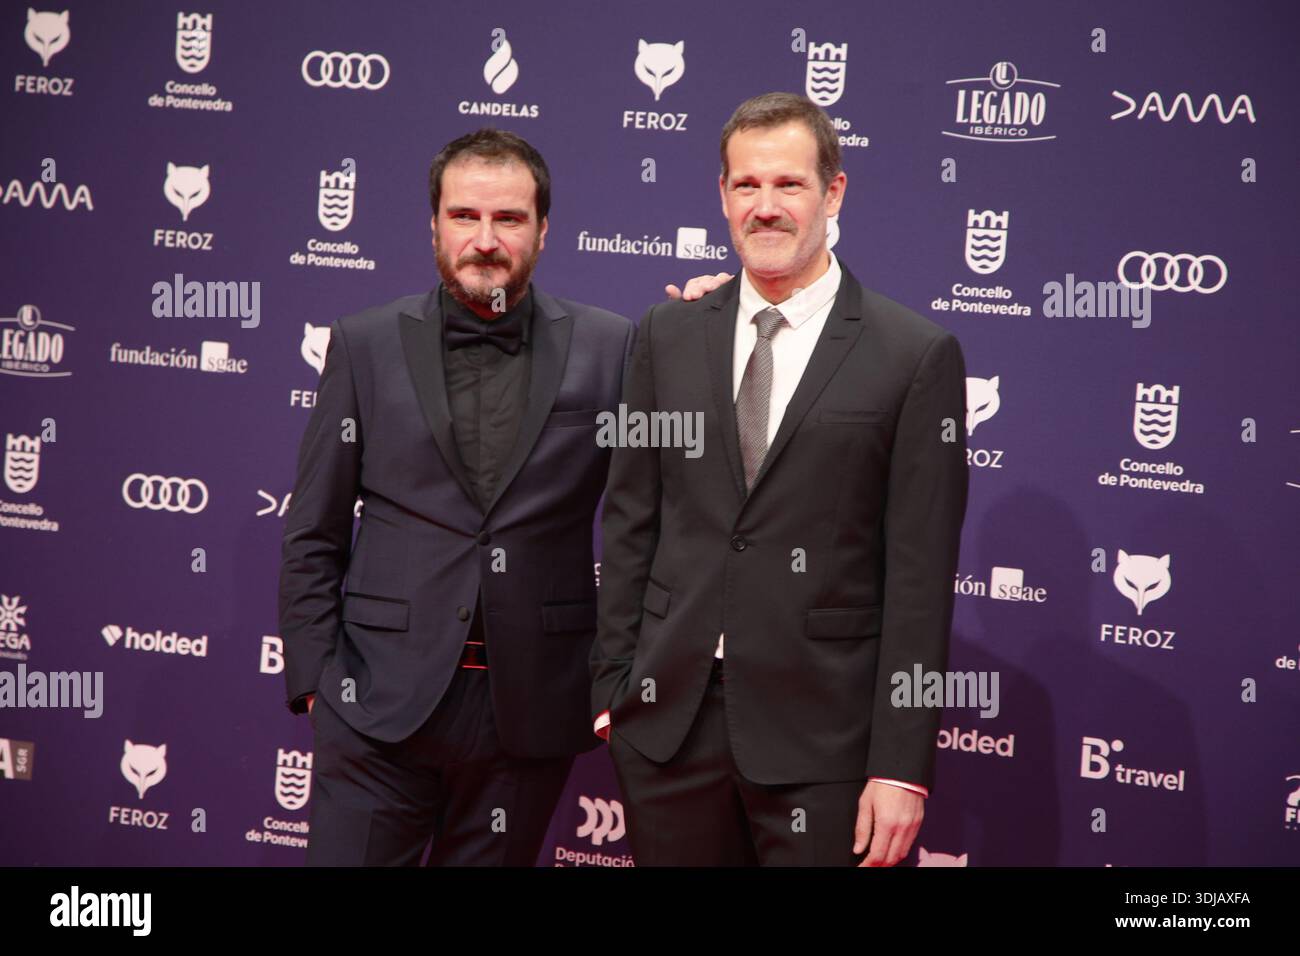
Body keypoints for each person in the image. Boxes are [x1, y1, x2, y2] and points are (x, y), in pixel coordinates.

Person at [591, 92, 970, 866]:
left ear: (833, 192)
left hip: (826, 748)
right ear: (723, 195)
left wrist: (902, 766)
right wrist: (613, 693)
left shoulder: (913, 355)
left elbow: (921, 579)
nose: (766, 207)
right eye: (746, 186)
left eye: (789, 185)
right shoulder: (666, 334)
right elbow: (632, 522)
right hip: (668, 732)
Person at [278, 128, 635, 865]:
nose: (486, 239)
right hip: (377, 704)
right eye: (465, 216)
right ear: (433, 225)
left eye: (508, 218)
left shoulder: (612, 348)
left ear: (543, 229)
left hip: (530, 712)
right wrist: (318, 680)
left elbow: (656, 517)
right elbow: (313, 527)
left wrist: (716, 327)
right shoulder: (365, 344)